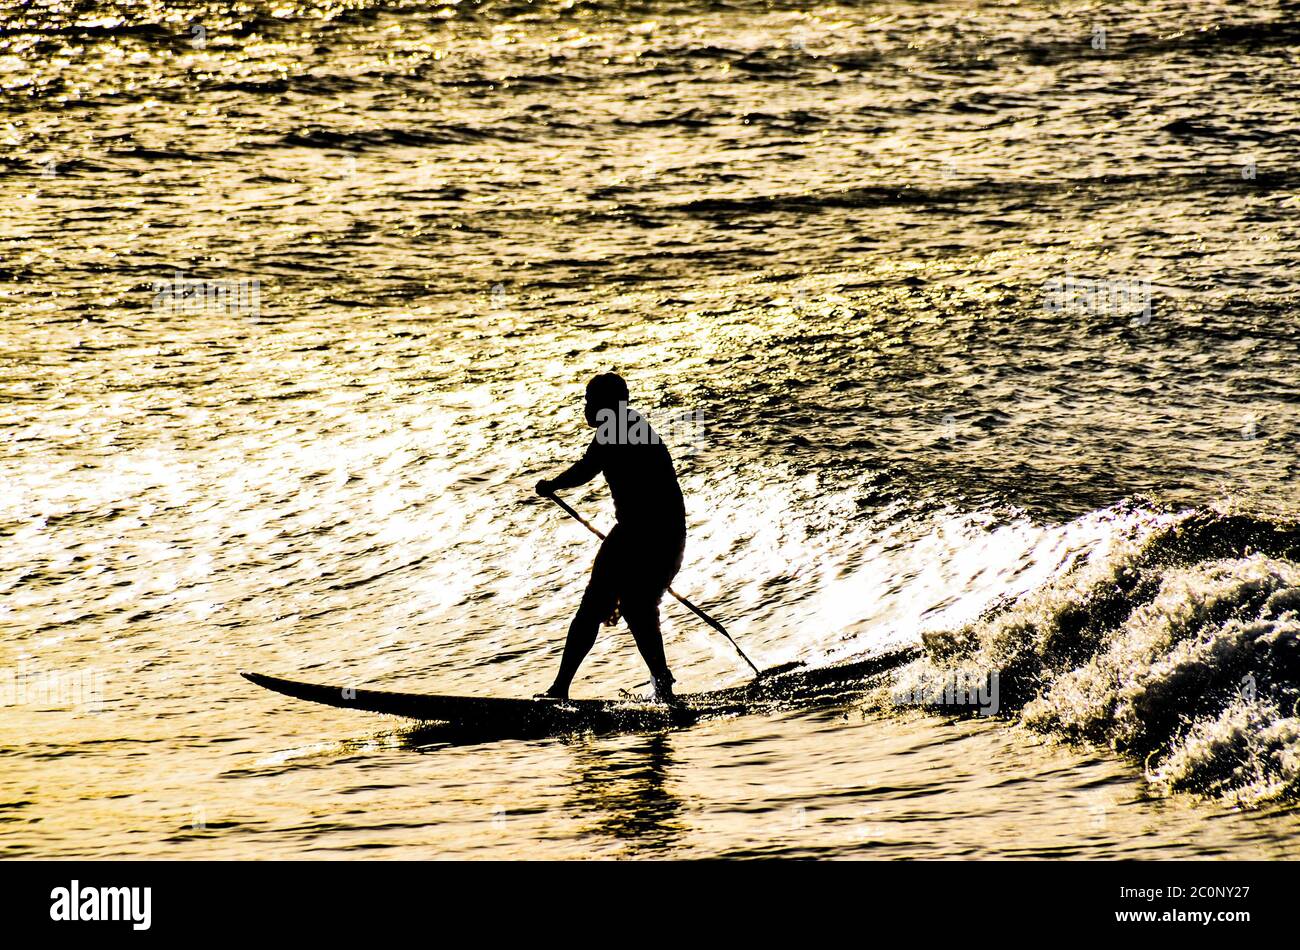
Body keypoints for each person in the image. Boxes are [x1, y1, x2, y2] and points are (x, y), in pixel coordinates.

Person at [535, 373, 687, 704]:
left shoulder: (619, 429)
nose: (586, 407)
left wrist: (552, 485)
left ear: (606, 405)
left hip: (644, 534)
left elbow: (586, 470)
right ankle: (663, 685)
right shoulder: (630, 426)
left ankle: (559, 690)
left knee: (596, 608)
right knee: (636, 608)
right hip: (663, 534)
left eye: (590, 401)